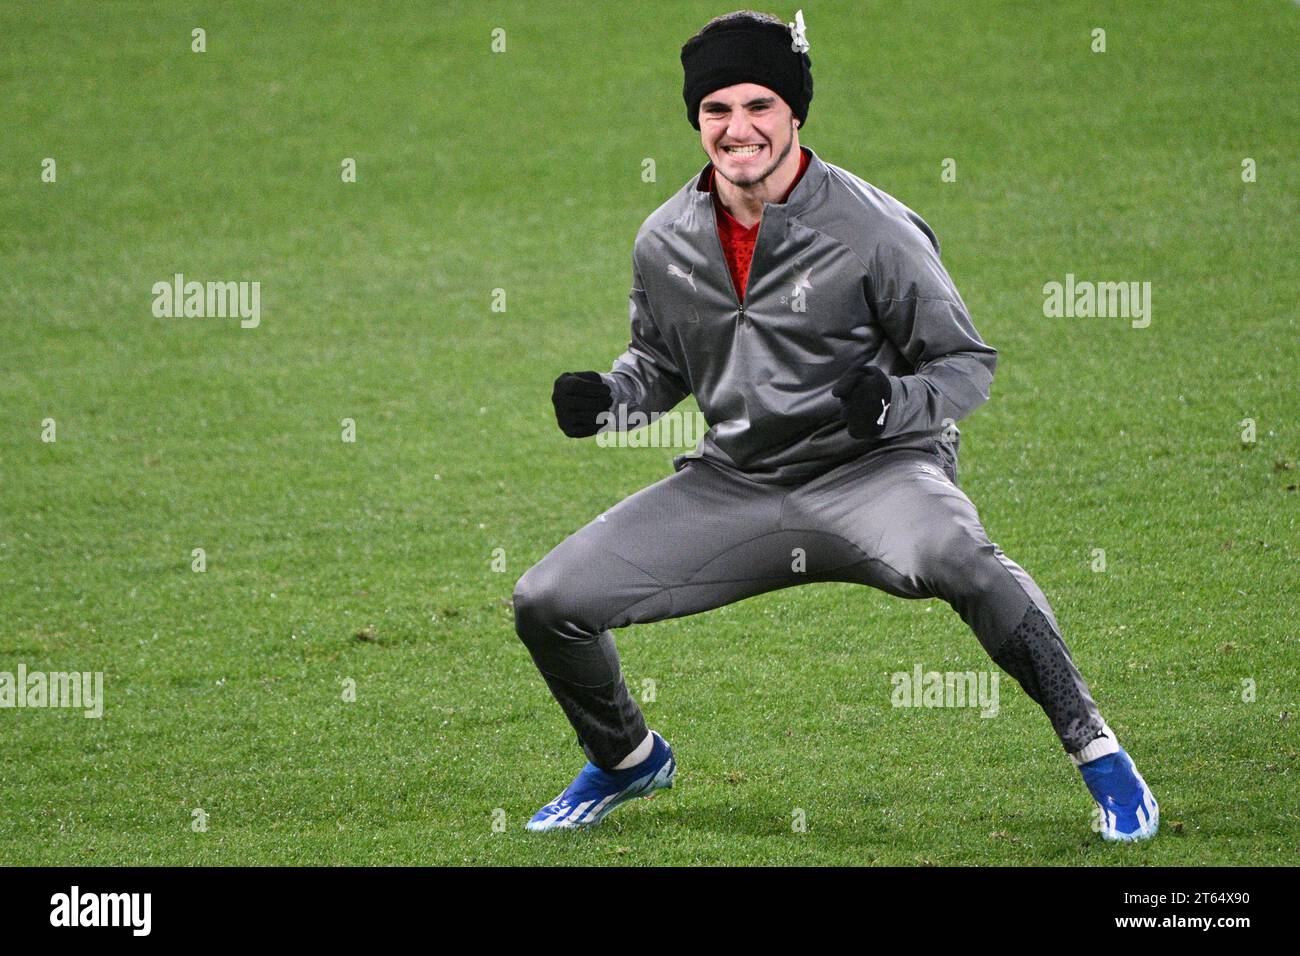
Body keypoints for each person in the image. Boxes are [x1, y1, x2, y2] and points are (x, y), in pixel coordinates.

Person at [514, 9, 1157, 841]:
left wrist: (894, 403)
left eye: (758, 106)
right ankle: (628, 758)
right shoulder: (664, 239)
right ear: (695, 120)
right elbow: (662, 364)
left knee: (961, 558)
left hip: (875, 475)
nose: (737, 128)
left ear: (794, 114)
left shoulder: (874, 229)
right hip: (737, 485)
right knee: (545, 600)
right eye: (716, 110)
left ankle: (1100, 753)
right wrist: (608, 399)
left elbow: (964, 363)